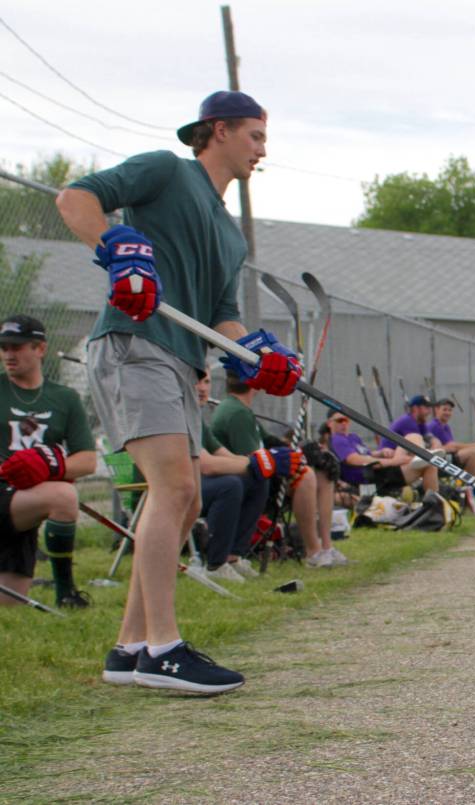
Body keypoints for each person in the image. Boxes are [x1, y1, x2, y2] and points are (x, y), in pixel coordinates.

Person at [57, 90, 302, 694]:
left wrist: (258, 354)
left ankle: (131, 648)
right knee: (176, 488)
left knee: (184, 499)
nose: (262, 151)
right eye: (255, 136)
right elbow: (75, 198)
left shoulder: (230, 233)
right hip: (134, 344)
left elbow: (220, 313)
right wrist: (116, 249)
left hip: (181, 361)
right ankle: (165, 650)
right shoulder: (167, 171)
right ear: (216, 130)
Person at [0, 315, 97, 609]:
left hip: (25, 503)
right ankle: (66, 594)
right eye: (3, 347)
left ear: (40, 349)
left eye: (16, 347)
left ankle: (62, 586)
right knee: (63, 495)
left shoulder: (64, 398)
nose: (8, 354)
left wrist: (50, 466)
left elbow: (88, 460)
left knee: (10, 606)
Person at [211, 375, 346, 568]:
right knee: (305, 474)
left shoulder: (241, 409)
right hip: (248, 481)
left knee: (324, 472)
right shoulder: (235, 412)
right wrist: (295, 457)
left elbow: (270, 442)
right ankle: (313, 552)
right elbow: (252, 458)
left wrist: (299, 449)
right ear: (254, 382)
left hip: (255, 475)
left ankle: (326, 547)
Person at [194, 375, 304, 583]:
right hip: (172, 490)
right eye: (197, 380)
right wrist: (259, 462)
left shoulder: (197, 418)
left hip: (196, 484)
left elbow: (224, 455)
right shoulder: (188, 414)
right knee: (231, 484)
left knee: (256, 477)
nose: (202, 387)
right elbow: (207, 465)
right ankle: (216, 564)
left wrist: (262, 463)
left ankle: (234, 557)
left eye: (207, 381)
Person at [328, 410, 439, 496]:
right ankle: (434, 505)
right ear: (330, 423)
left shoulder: (352, 437)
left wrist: (380, 453)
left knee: (414, 437)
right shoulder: (337, 439)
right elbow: (354, 459)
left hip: (382, 469)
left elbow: (366, 454)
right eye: (339, 421)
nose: (343, 424)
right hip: (375, 477)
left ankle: (422, 456)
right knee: (429, 464)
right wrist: (391, 461)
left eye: (346, 420)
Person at [429, 399, 475, 479]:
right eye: (444, 410)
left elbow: (452, 447)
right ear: (436, 410)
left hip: (448, 457)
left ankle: (471, 485)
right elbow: (451, 447)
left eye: (450, 410)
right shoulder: (434, 425)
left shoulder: (446, 427)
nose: (448, 413)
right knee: (474, 452)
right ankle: (470, 487)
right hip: (438, 461)